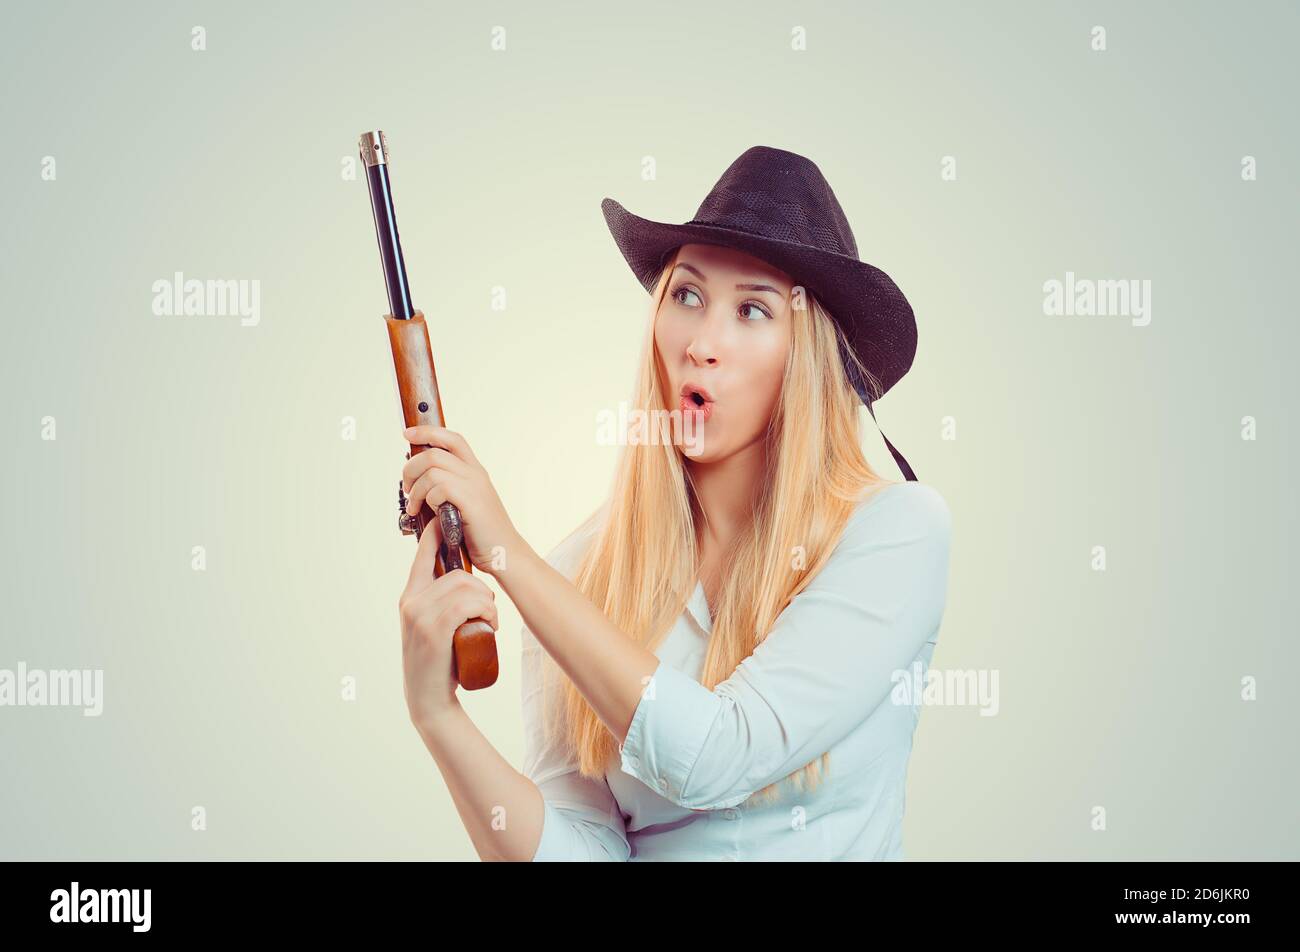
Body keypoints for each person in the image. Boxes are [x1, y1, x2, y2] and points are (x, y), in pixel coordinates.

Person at [395, 146, 952, 861]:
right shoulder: (575, 577)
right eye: (687, 295)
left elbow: (719, 754)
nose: (702, 343)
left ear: (806, 356)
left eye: (752, 309)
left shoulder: (896, 533)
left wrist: (507, 557)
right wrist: (438, 716)